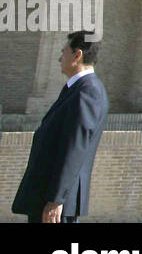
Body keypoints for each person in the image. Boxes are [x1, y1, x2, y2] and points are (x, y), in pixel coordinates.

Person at [11, 31, 109, 223]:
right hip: (47, 198)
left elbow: (75, 149)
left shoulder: (87, 92)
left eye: (64, 51)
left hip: (55, 206)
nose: (59, 58)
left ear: (77, 55)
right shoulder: (77, 89)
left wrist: (56, 199)